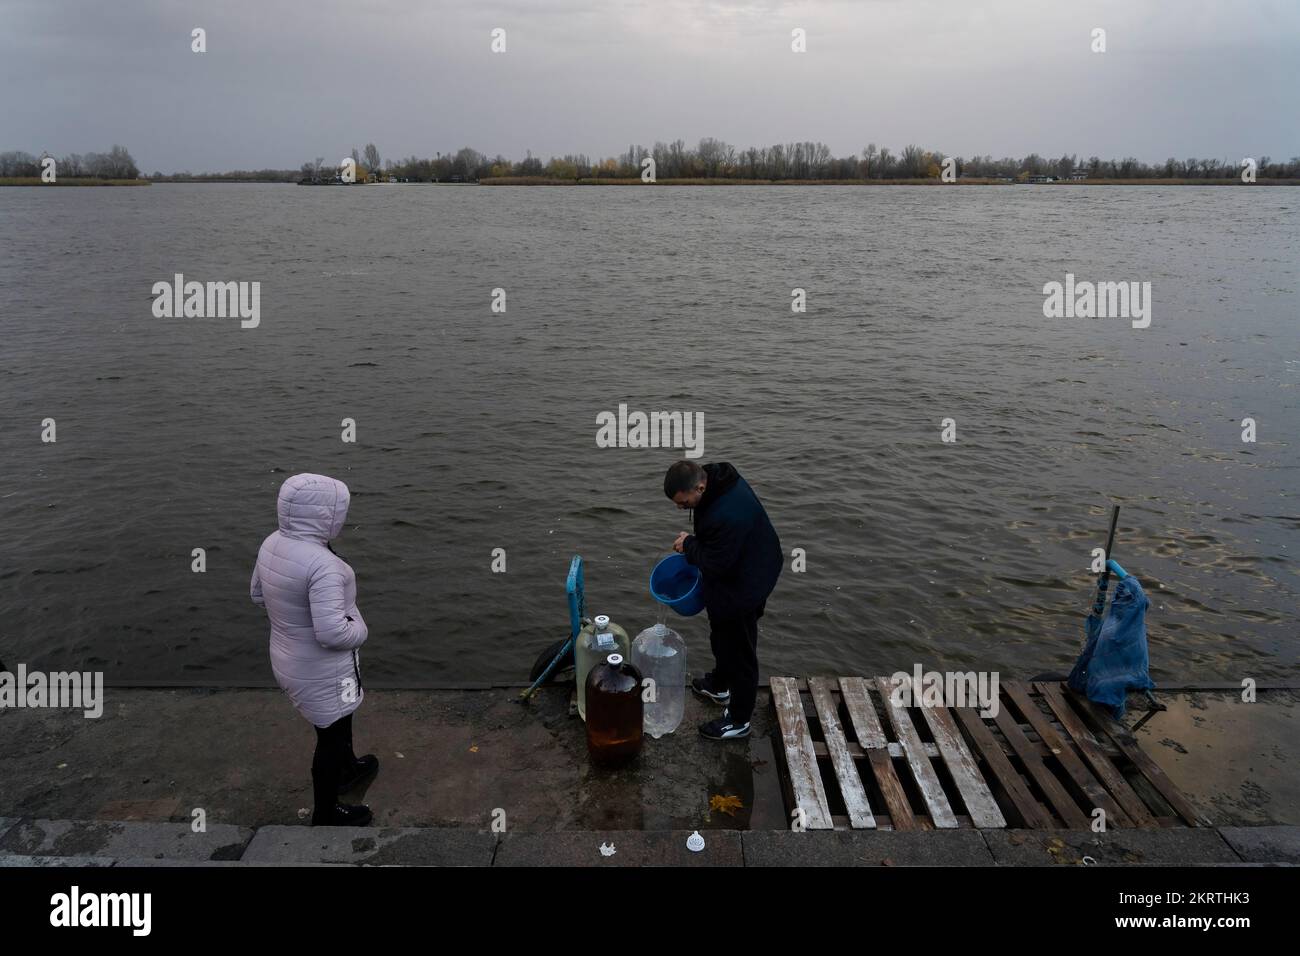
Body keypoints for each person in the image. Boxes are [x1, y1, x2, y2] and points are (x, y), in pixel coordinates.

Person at [250, 473, 378, 826]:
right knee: (331, 737)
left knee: (338, 720)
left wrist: (291, 620)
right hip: (323, 668)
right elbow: (333, 634)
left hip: (288, 655)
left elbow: (258, 595)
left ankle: (349, 767)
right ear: (325, 515)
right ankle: (326, 810)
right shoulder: (322, 564)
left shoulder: (272, 542)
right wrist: (361, 628)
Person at [664, 460, 782, 739]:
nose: (680, 508)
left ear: (700, 486)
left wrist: (689, 543)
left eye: (683, 502)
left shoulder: (727, 515)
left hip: (747, 582)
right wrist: (697, 542)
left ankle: (739, 720)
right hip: (742, 564)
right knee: (721, 633)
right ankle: (719, 685)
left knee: (740, 651)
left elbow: (717, 564)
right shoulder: (716, 480)